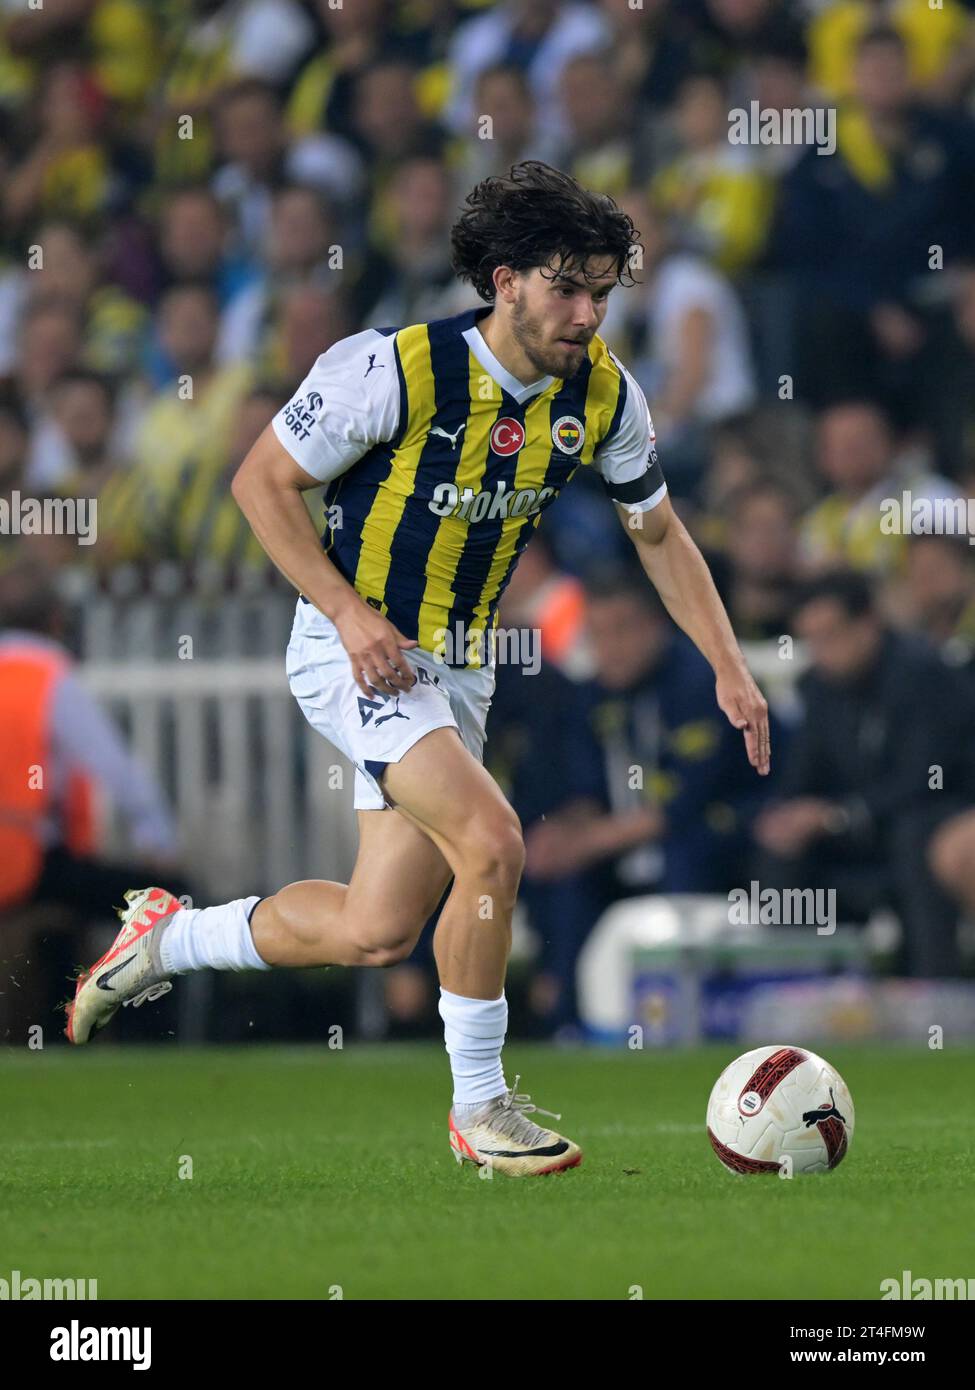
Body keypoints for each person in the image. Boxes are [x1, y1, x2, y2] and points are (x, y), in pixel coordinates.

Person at [65, 162, 770, 1177]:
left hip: (458, 669)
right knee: (494, 840)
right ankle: (481, 1109)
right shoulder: (390, 368)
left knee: (374, 928)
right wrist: (348, 613)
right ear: (506, 279)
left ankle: (166, 940)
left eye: (604, 291)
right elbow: (261, 484)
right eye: (569, 287)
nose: (588, 312)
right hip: (358, 650)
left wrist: (729, 666)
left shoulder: (606, 391)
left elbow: (659, 535)